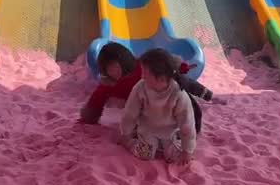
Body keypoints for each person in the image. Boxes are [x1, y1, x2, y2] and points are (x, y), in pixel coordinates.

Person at [79, 42, 212, 127]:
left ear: (124, 61)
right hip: (146, 103)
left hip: (161, 89)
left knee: (177, 83)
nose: (114, 71)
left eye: (116, 66)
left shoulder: (141, 66)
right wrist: (89, 117)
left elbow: (164, 64)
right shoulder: (109, 84)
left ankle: (203, 92)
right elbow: (96, 100)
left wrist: (182, 67)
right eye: (110, 68)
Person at [118, 48, 197, 164]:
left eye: (145, 73)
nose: (142, 76)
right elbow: (130, 113)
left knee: (175, 157)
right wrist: (125, 134)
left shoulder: (178, 94)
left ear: (161, 79)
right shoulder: (140, 88)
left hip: (170, 132)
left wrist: (187, 150)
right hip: (147, 129)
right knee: (145, 154)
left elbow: (187, 124)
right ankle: (133, 142)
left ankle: (173, 147)